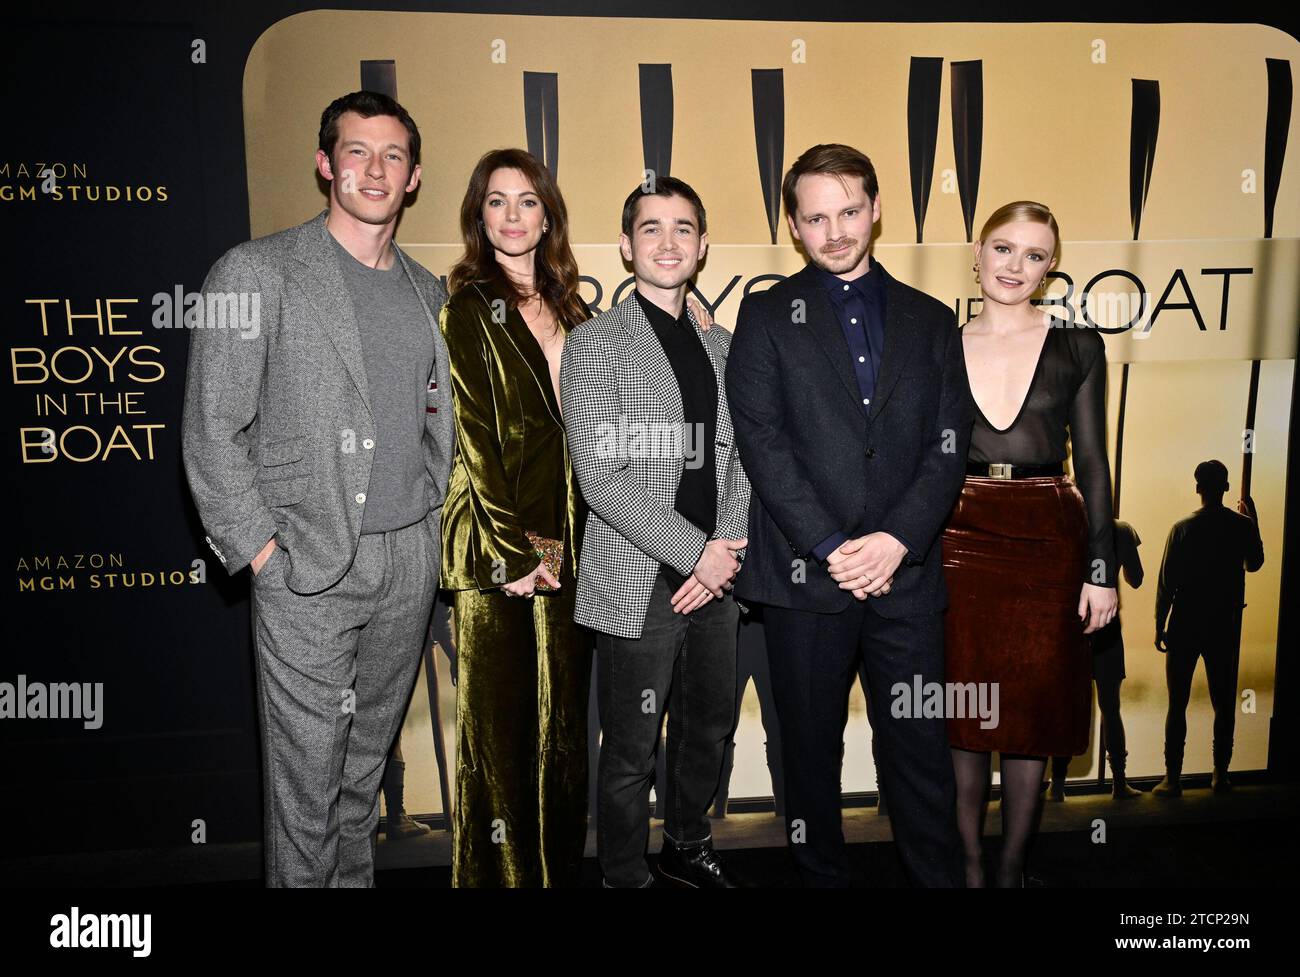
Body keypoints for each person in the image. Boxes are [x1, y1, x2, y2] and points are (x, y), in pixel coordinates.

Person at [181, 90, 454, 887]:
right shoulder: (256, 270)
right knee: (304, 787)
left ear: (413, 178)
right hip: (308, 568)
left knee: (361, 776)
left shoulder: (426, 289)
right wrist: (265, 555)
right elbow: (211, 430)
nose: (375, 168)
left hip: (408, 563)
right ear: (324, 162)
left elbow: (436, 421)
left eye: (393, 155)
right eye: (358, 151)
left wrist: (433, 526)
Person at [727, 143, 972, 888]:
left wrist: (897, 538)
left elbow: (948, 444)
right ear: (793, 226)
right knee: (809, 753)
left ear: (876, 209)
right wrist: (834, 545)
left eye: (849, 211)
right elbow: (762, 443)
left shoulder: (932, 320)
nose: (835, 231)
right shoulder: (766, 315)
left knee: (921, 750)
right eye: (815, 217)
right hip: (807, 578)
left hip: (907, 578)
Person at [561, 176, 751, 888]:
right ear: (624, 245)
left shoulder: (726, 344)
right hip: (641, 576)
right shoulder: (595, 344)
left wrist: (724, 551)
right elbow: (600, 477)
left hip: (719, 575)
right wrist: (693, 552)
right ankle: (621, 872)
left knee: (708, 728)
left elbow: (747, 458)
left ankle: (686, 842)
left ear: (703, 247)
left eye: (682, 229)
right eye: (650, 228)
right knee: (631, 744)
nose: (667, 242)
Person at [943, 200, 1118, 888]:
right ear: (978, 253)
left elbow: (1096, 466)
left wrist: (1100, 571)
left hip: (1048, 537)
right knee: (964, 708)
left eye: (1035, 255)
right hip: (958, 533)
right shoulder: (939, 340)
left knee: (1030, 714)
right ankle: (969, 867)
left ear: (1051, 269)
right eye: (1004, 248)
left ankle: (1012, 866)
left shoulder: (1079, 346)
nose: (1016, 266)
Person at [438, 148, 592, 887]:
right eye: (495, 202)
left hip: (571, 546)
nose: (511, 215)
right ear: (478, 215)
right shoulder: (467, 306)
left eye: (526, 201)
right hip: (498, 551)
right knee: (499, 742)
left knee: (560, 734)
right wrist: (512, 554)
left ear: (547, 214)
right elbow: (473, 442)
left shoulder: (572, 305)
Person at [1154, 460, 1264, 795]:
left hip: (1186, 619)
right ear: (1226, 488)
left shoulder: (1182, 528)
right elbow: (1255, 563)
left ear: (1197, 486)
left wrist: (1160, 625)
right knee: (1223, 701)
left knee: (1178, 702)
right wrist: (1253, 519)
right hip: (1222, 621)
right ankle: (1220, 774)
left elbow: (1166, 583)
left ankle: (1173, 778)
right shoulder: (1240, 526)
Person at [1047, 519, 1145, 801]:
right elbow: (1136, 579)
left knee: (1066, 707)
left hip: (1072, 627)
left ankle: (1058, 785)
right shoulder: (1123, 530)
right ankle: (1119, 782)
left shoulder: (1067, 527)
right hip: (1107, 627)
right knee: (1111, 708)